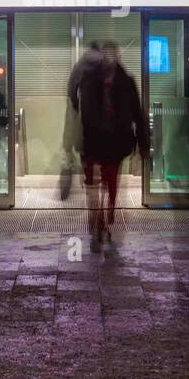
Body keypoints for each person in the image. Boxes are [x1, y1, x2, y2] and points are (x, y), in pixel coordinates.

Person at [76, 41, 147, 243]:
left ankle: (108, 213)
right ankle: (99, 218)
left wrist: (142, 145)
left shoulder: (126, 82)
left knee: (111, 182)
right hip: (94, 141)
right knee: (94, 184)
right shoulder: (90, 81)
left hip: (116, 141)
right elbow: (84, 112)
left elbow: (137, 114)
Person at [58, 43, 103, 201]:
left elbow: (71, 90)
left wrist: (77, 106)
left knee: (82, 153)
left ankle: (84, 178)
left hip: (80, 121)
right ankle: (94, 186)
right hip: (99, 124)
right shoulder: (102, 67)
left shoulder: (79, 66)